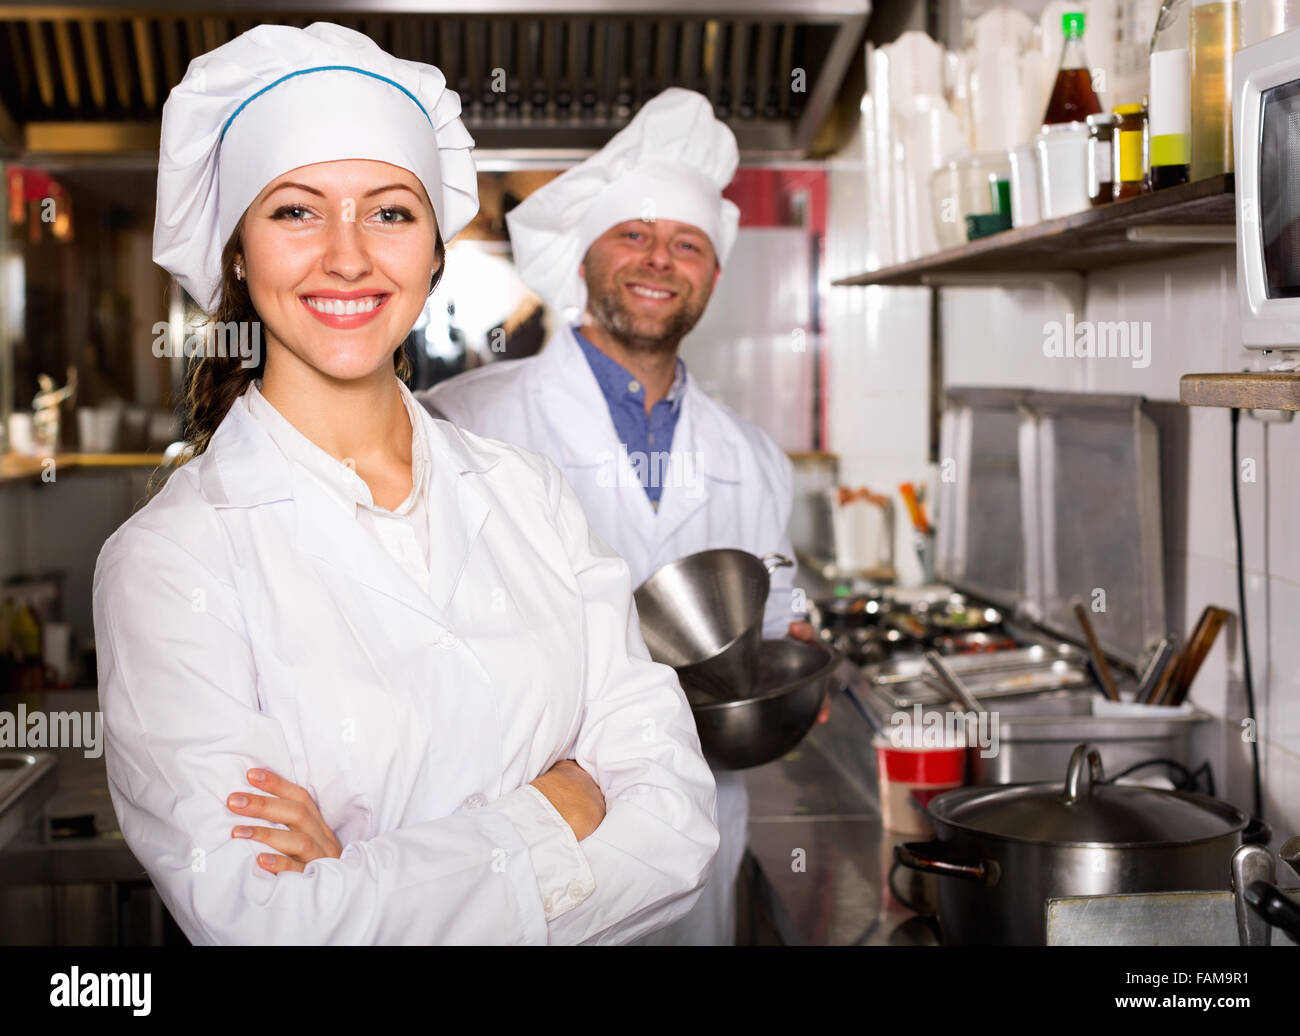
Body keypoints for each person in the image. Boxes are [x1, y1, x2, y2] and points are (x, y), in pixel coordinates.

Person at [92, 22, 718, 946]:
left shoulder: (531, 497)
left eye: (389, 212)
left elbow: (677, 832)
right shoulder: (171, 562)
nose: (347, 256)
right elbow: (269, 927)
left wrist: (364, 869)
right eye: (296, 211)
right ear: (237, 253)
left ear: (433, 253)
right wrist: (552, 812)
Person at [418, 88, 808, 946]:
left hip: (694, 818)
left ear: (711, 271)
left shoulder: (753, 459)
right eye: (633, 234)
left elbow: (779, 624)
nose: (659, 259)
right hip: (519, 820)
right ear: (584, 260)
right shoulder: (460, 424)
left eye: (687, 243)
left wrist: (796, 663)